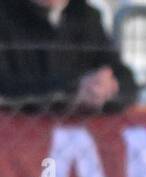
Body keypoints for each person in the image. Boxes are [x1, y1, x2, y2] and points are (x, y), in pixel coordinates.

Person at [0, 0, 138, 113]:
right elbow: (7, 87)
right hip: (19, 135)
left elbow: (120, 75)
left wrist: (109, 87)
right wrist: (72, 91)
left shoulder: (86, 16)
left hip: (78, 136)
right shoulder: (5, 16)